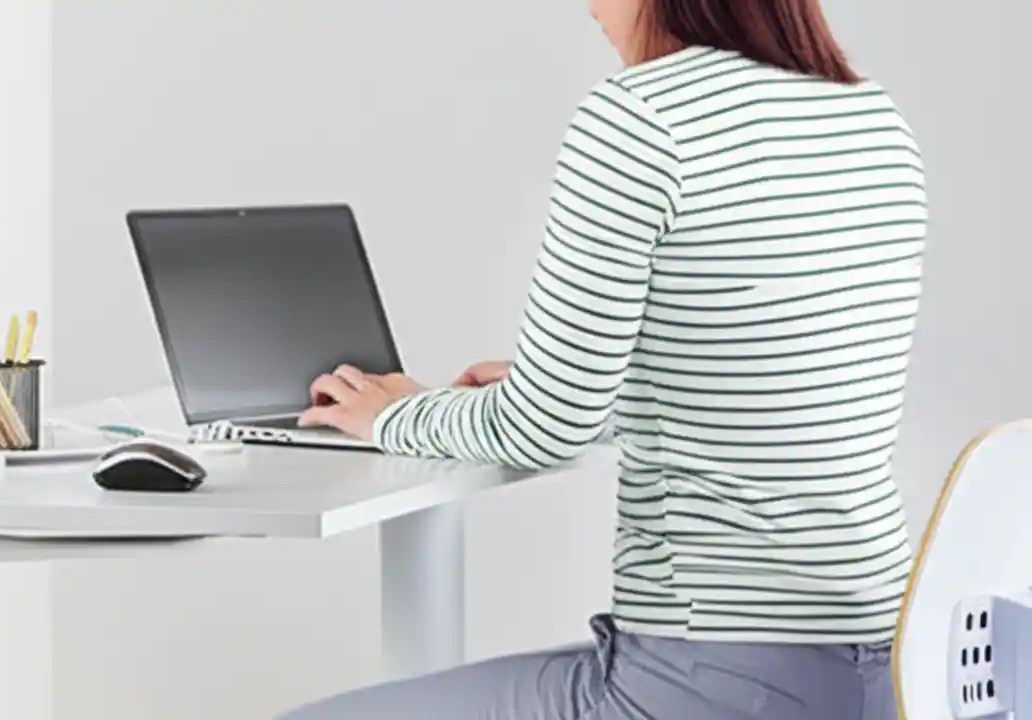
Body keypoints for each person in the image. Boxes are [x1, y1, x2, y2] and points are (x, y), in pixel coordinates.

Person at [285, 0, 927, 717]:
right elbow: (778, 389)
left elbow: (543, 430)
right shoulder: (869, 113)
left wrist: (397, 413)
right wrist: (615, 388)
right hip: (891, 667)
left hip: (713, 678)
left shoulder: (640, 120)